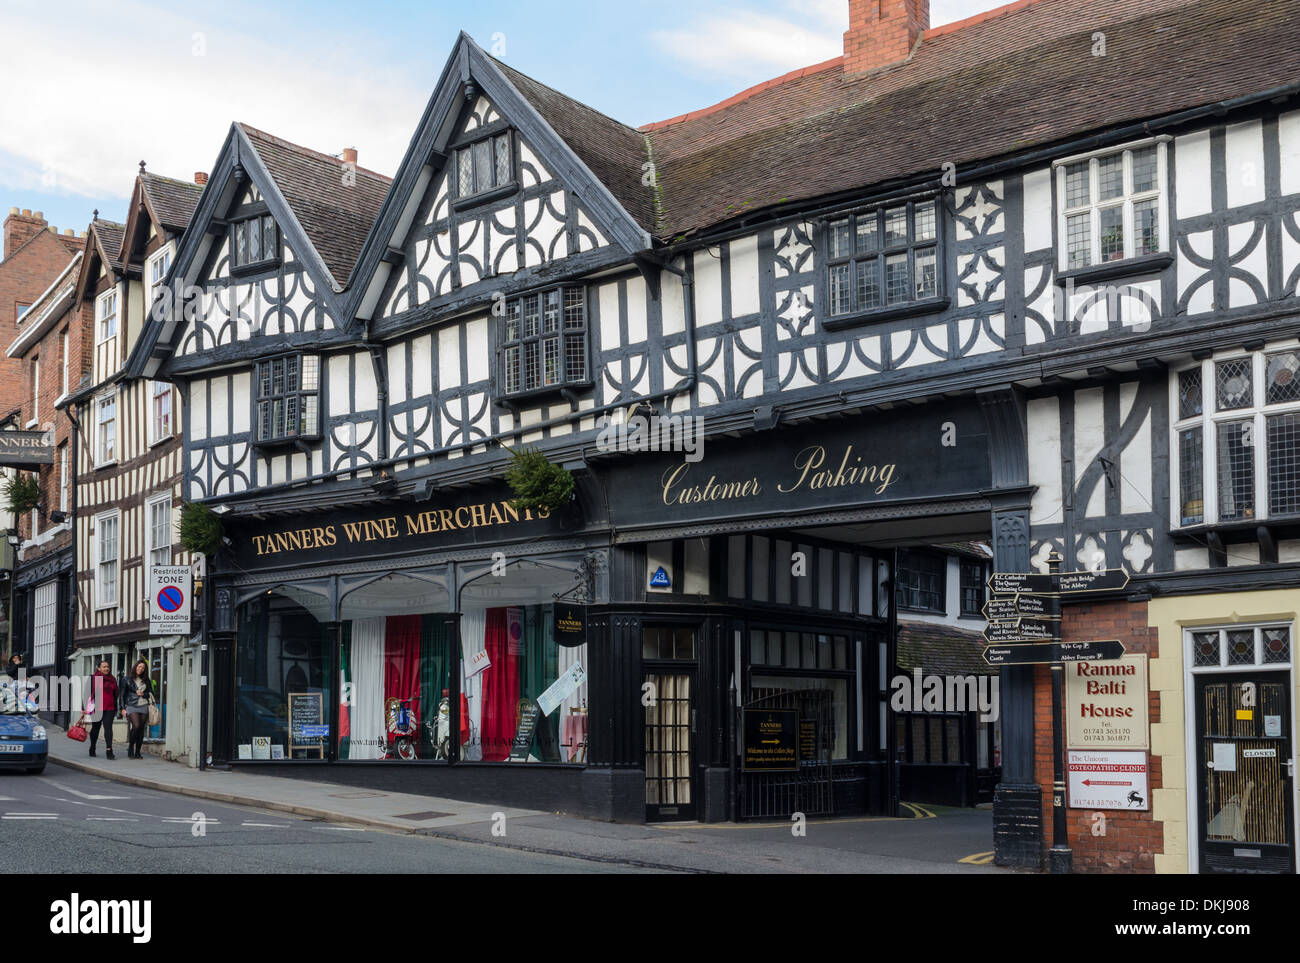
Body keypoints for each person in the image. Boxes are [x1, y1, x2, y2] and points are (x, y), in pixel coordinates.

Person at [119, 659, 153, 759]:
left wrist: (144, 694)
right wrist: (122, 708)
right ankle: (130, 748)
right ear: (135, 667)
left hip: (143, 705)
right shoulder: (126, 679)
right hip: (131, 705)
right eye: (139, 667)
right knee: (136, 726)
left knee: (141, 729)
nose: (140, 669)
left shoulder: (146, 680)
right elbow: (121, 695)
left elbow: (151, 693)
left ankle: (138, 751)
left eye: (143, 668)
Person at [85, 660, 118, 760]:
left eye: (107, 666)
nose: (106, 668)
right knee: (96, 728)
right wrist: (85, 707)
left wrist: (116, 706)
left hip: (110, 707)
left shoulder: (112, 679)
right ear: (99, 668)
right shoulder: (93, 678)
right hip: (97, 707)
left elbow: (116, 693)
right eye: (104, 667)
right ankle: (92, 747)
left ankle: (109, 750)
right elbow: (87, 693)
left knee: (108, 728)